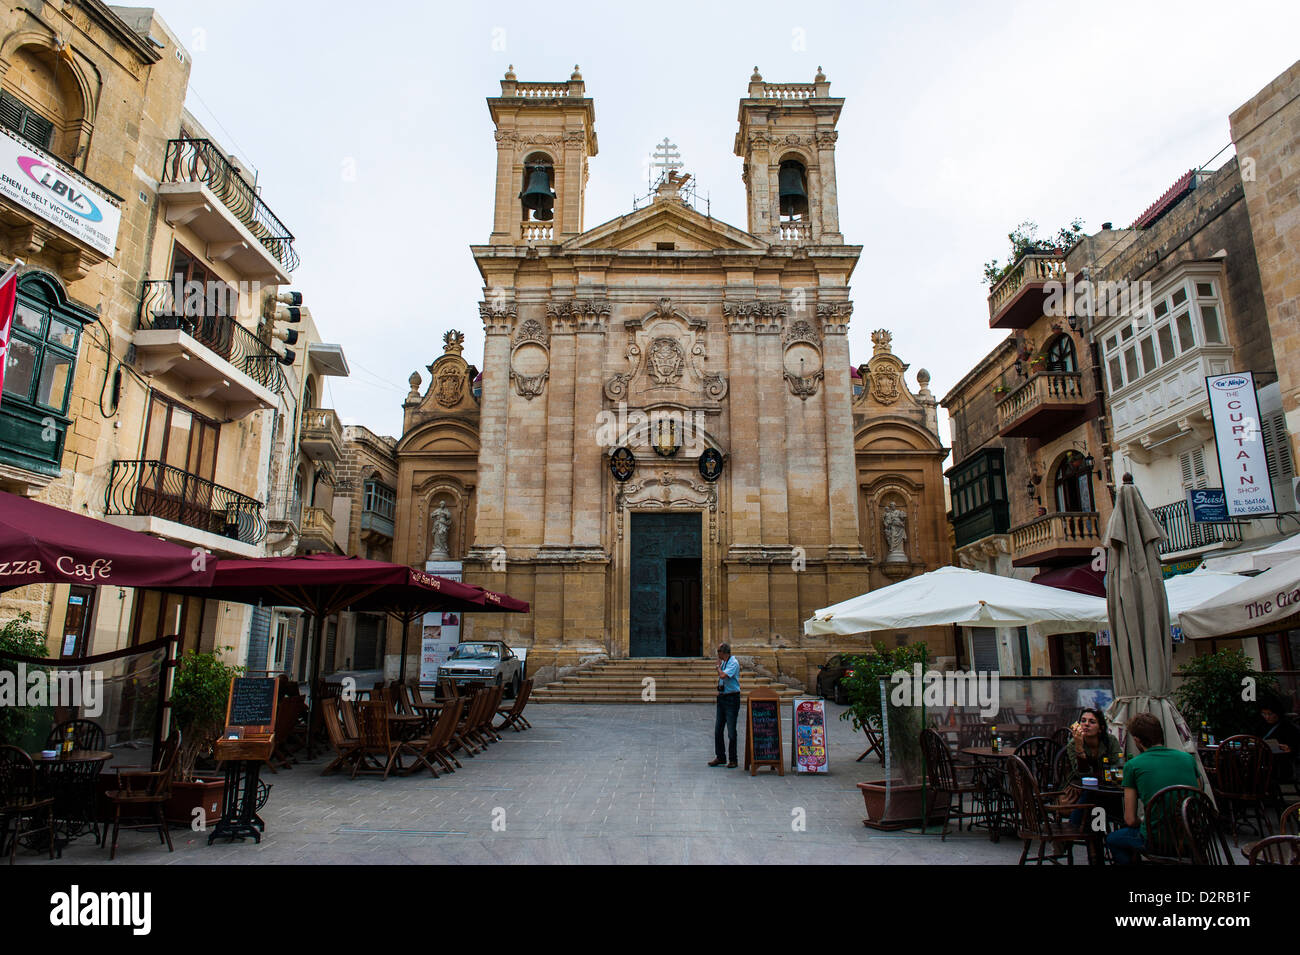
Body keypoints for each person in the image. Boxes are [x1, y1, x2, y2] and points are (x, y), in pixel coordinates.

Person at [1105, 712, 1201, 865]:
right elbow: (1198, 797)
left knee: (1113, 839)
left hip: (1158, 841)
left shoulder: (1133, 765)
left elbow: (1129, 820)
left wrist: (1144, 821)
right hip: (1193, 838)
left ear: (1137, 740)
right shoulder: (1187, 759)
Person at [1058, 708, 1121, 825]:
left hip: (1107, 786)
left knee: (1114, 798)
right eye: (1083, 721)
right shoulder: (1073, 744)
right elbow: (1082, 774)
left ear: (1101, 728)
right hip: (1080, 787)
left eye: (1092, 722)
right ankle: (1082, 828)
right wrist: (1079, 748)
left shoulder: (1110, 741)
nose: (1086, 724)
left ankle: (1107, 830)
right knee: (1092, 795)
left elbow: (1117, 764)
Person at [710, 643, 741, 768]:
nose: (717, 654)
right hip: (723, 697)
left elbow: (723, 675)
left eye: (718, 651)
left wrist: (718, 667)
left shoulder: (733, 663)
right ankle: (720, 757)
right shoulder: (725, 662)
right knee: (718, 730)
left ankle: (733, 759)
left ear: (724, 652)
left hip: (732, 699)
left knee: (731, 731)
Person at [1259, 695, 1300, 784]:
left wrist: (1289, 748)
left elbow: (1296, 747)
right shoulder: (1261, 725)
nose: (1266, 717)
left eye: (1270, 714)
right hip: (1265, 763)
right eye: (1264, 714)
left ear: (1277, 713)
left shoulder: (1289, 727)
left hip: (1280, 767)